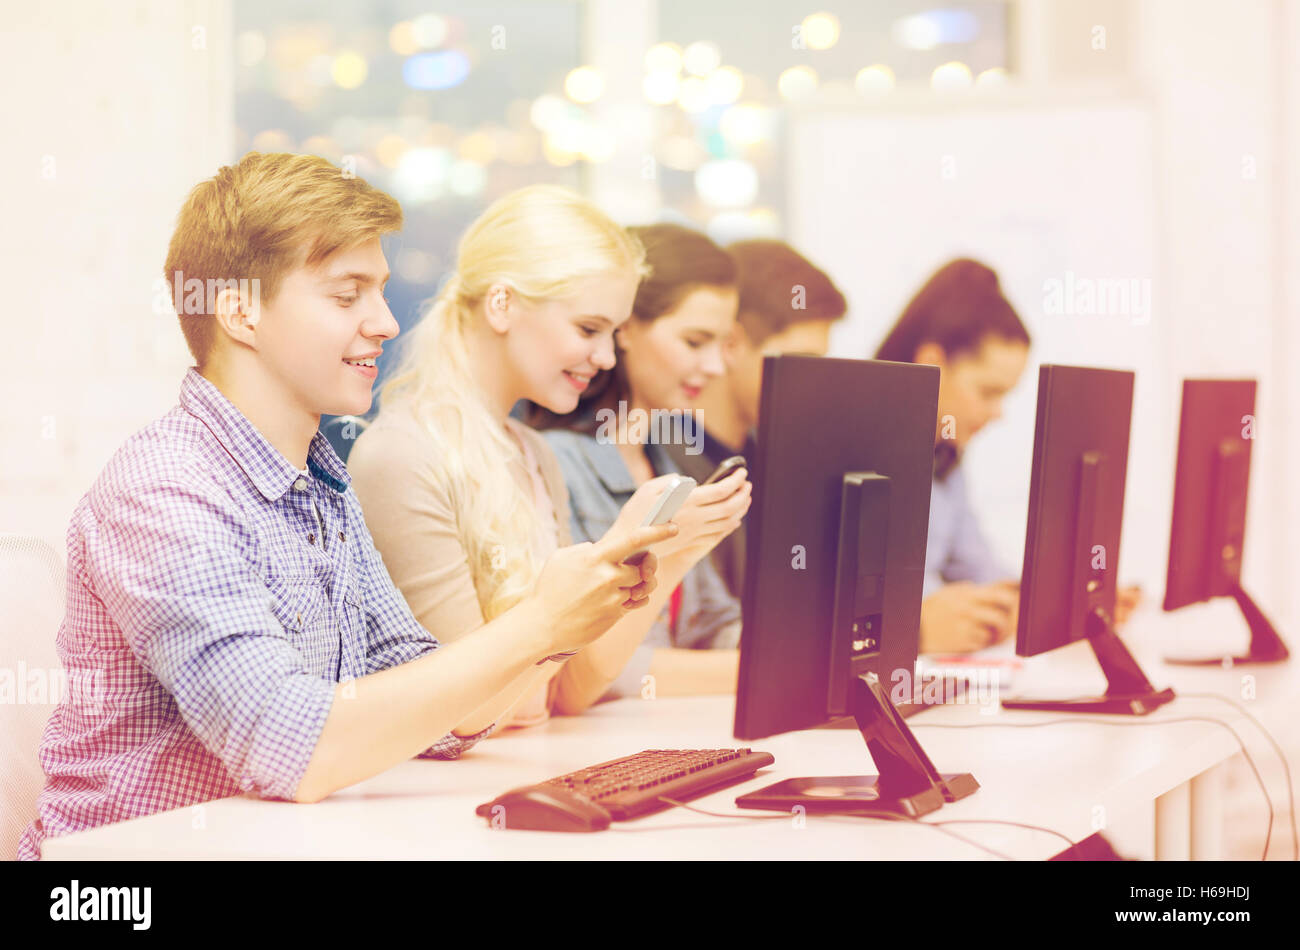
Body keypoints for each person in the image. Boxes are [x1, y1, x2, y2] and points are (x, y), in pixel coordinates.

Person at [16, 154, 674, 860]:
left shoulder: (320, 485)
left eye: (381, 291)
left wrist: (563, 621)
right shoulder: (165, 491)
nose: (386, 322)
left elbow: (445, 713)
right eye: (347, 294)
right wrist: (539, 622)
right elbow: (291, 749)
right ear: (238, 308)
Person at [348, 188, 750, 722]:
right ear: (502, 304)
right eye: (588, 329)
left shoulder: (534, 457)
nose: (606, 357)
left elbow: (567, 693)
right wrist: (611, 561)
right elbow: (466, 714)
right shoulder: (400, 457)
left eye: (612, 333)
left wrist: (659, 555)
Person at [876, 258, 1139, 654]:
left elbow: (980, 570)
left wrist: (1062, 600)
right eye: (988, 392)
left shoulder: (945, 464)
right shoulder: (852, 459)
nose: (997, 413)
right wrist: (914, 631)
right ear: (931, 363)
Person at [533, 224, 747, 698]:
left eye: (721, 344)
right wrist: (769, 673)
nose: (715, 367)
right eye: (695, 342)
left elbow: (714, 623)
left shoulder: (671, 460)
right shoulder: (553, 461)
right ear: (625, 328)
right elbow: (591, 671)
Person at [663, 239, 847, 601]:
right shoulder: (662, 466)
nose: (815, 385)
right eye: (802, 362)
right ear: (731, 344)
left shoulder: (775, 462)